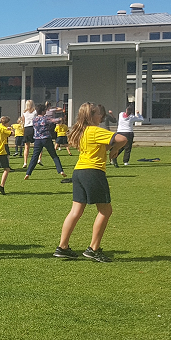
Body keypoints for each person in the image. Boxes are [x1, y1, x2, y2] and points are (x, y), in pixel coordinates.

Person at [54, 103, 127, 263]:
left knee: (75, 211)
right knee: (105, 211)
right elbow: (123, 138)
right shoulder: (95, 130)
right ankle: (93, 249)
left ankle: (62, 247)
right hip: (93, 172)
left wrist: (110, 147)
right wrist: (116, 149)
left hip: (79, 171)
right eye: (100, 114)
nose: (102, 117)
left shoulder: (82, 131)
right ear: (92, 116)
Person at [24, 103, 67, 180]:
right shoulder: (46, 118)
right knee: (54, 155)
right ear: (43, 111)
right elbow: (55, 120)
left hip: (37, 139)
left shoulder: (34, 119)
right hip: (46, 138)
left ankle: (28, 173)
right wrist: (61, 118)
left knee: (34, 157)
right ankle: (60, 170)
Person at [21, 100, 36, 168]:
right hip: (34, 128)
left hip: (27, 129)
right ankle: (39, 159)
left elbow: (23, 121)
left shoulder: (24, 112)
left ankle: (25, 162)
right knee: (38, 145)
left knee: (26, 147)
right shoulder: (35, 112)